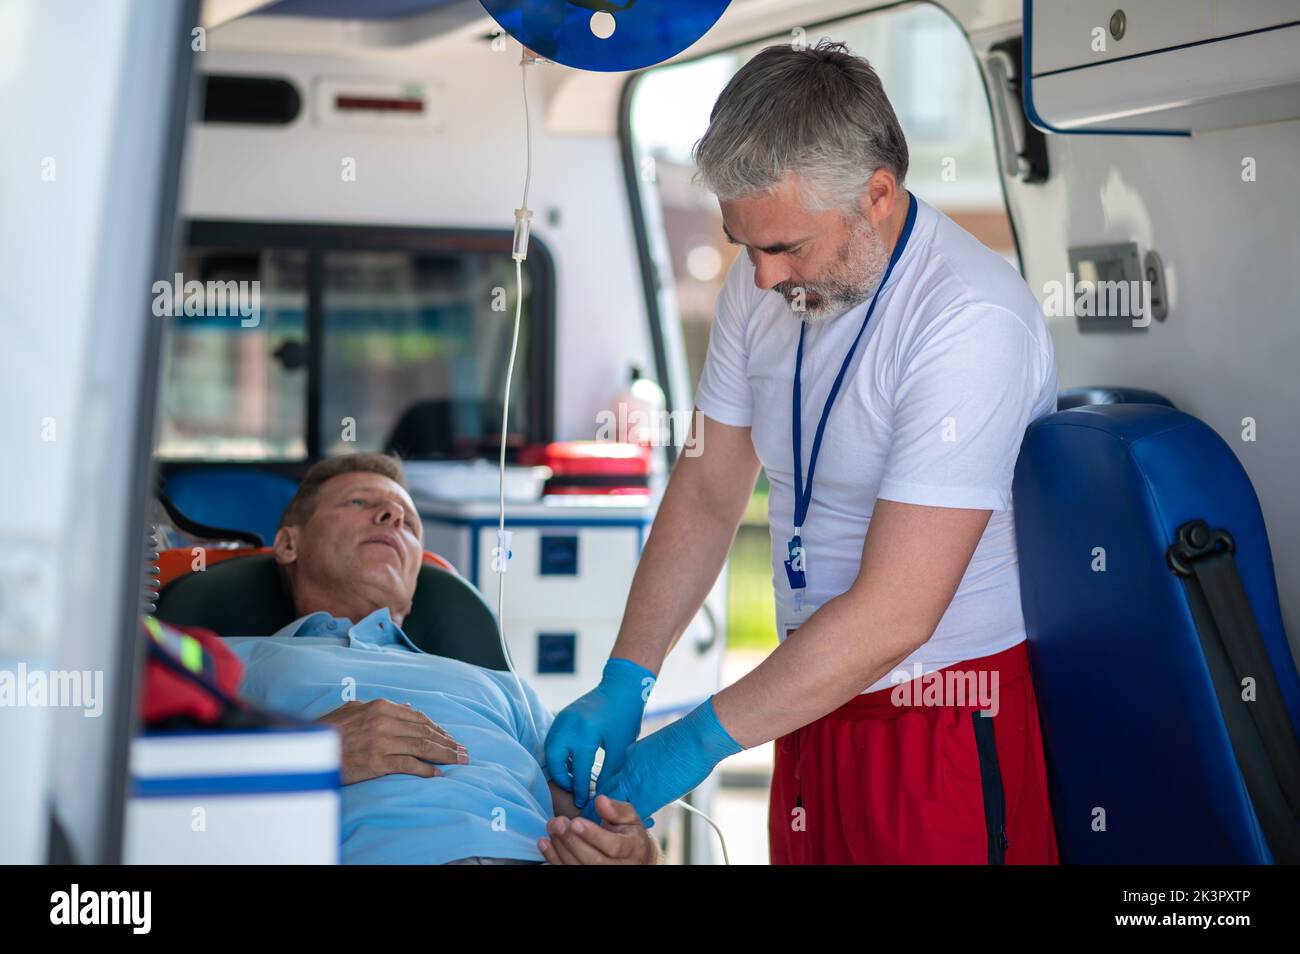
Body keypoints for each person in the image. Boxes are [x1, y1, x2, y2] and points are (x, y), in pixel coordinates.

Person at [545, 40, 1061, 864]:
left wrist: (693, 743)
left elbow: (897, 612)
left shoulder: (968, 321)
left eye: (785, 247)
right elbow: (711, 484)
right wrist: (628, 677)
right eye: (744, 244)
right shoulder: (765, 287)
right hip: (806, 702)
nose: (758, 278)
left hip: (936, 725)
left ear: (879, 196)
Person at [223, 453, 658, 865]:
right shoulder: (227, 662)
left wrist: (635, 850)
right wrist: (308, 759)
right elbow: (167, 798)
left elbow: (599, 816)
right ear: (287, 545)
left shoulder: (504, 688)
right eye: (360, 502)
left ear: (413, 581)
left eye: (409, 523)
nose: (392, 517)